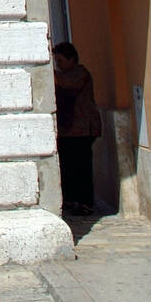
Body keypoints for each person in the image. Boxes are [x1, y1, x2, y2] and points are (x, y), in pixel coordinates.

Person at [53, 42, 102, 215]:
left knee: (81, 166)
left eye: (60, 60)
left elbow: (65, 83)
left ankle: (85, 202)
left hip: (83, 128)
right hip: (69, 129)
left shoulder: (80, 73)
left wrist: (48, 73)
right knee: (68, 165)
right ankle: (71, 199)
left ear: (72, 59)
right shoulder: (65, 74)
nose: (58, 64)